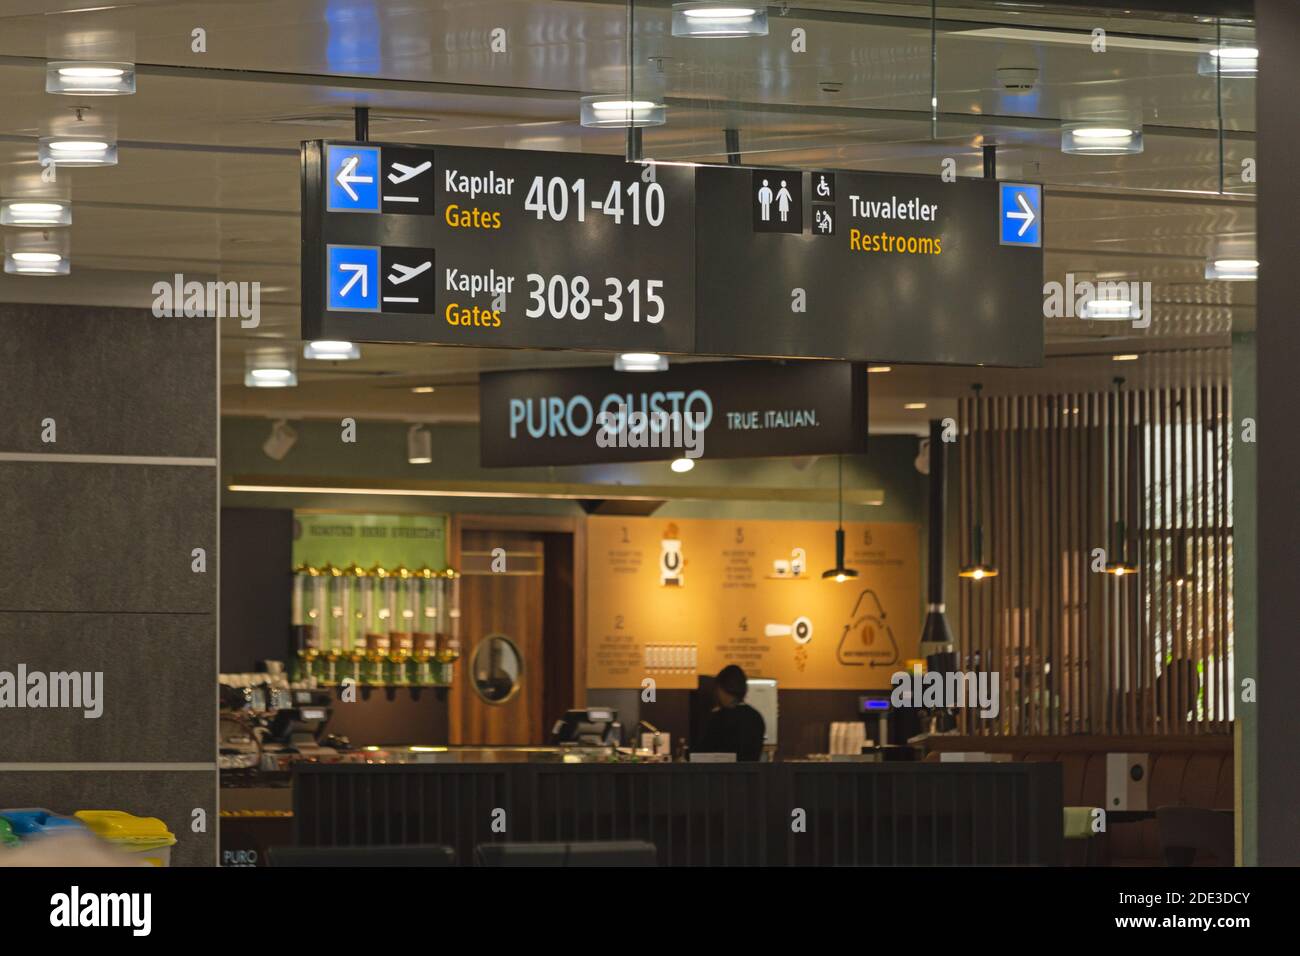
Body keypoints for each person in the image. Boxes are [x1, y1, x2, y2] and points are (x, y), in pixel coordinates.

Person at [697, 665, 766, 761]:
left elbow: (704, 752)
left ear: (723, 689)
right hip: (751, 774)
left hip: (723, 774)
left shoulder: (719, 718)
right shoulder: (756, 717)